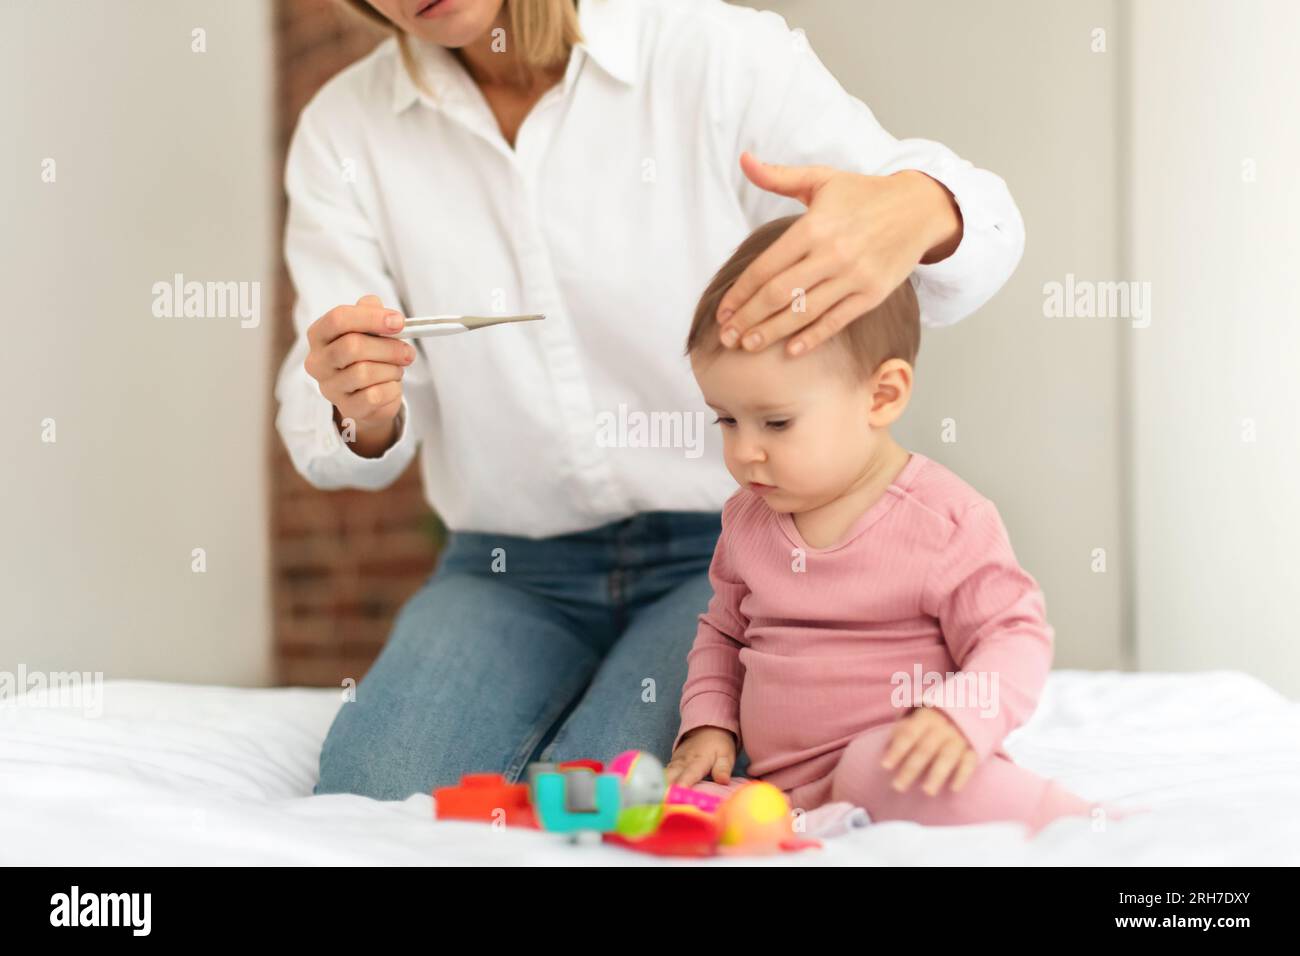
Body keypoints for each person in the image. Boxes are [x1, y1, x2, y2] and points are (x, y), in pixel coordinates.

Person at [276, 0, 1025, 800]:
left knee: (616, 796)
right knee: (377, 789)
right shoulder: (344, 130)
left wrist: (919, 206)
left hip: (730, 559)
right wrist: (362, 406)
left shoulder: (710, 55)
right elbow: (324, 423)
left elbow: (981, 236)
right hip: (506, 571)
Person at [663, 216, 1129, 835]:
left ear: (881, 396)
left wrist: (959, 717)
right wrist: (708, 725)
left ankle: (1084, 824)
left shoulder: (943, 521)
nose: (746, 452)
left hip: (898, 761)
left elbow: (1014, 635)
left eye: (775, 424)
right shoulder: (748, 519)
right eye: (726, 420)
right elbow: (724, 635)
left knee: (883, 768)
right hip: (780, 788)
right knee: (666, 807)